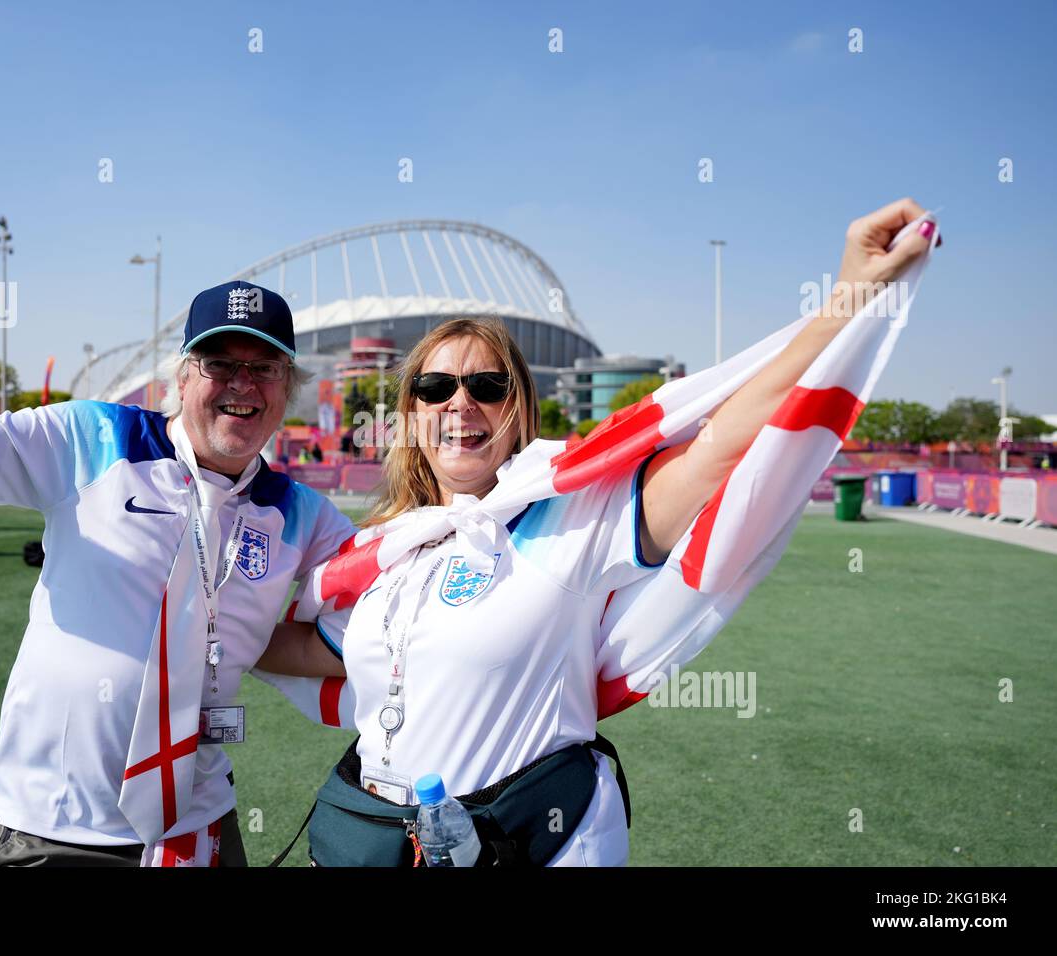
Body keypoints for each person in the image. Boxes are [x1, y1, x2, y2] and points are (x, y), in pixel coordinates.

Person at [259, 198, 940, 866]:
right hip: (376, 839)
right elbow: (296, 648)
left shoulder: (572, 521)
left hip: (528, 840)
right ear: (411, 415)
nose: (459, 402)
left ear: (517, 411)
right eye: (435, 387)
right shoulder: (390, 552)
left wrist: (849, 297)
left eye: (487, 386)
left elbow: (719, 450)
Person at [0, 223, 356, 866]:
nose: (243, 383)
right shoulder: (90, 436)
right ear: (181, 377)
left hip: (195, 827)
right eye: (220, 364)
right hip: (56, 824)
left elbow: (385, 608)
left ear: (289, 387)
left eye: (264, 368)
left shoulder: (302, 513)